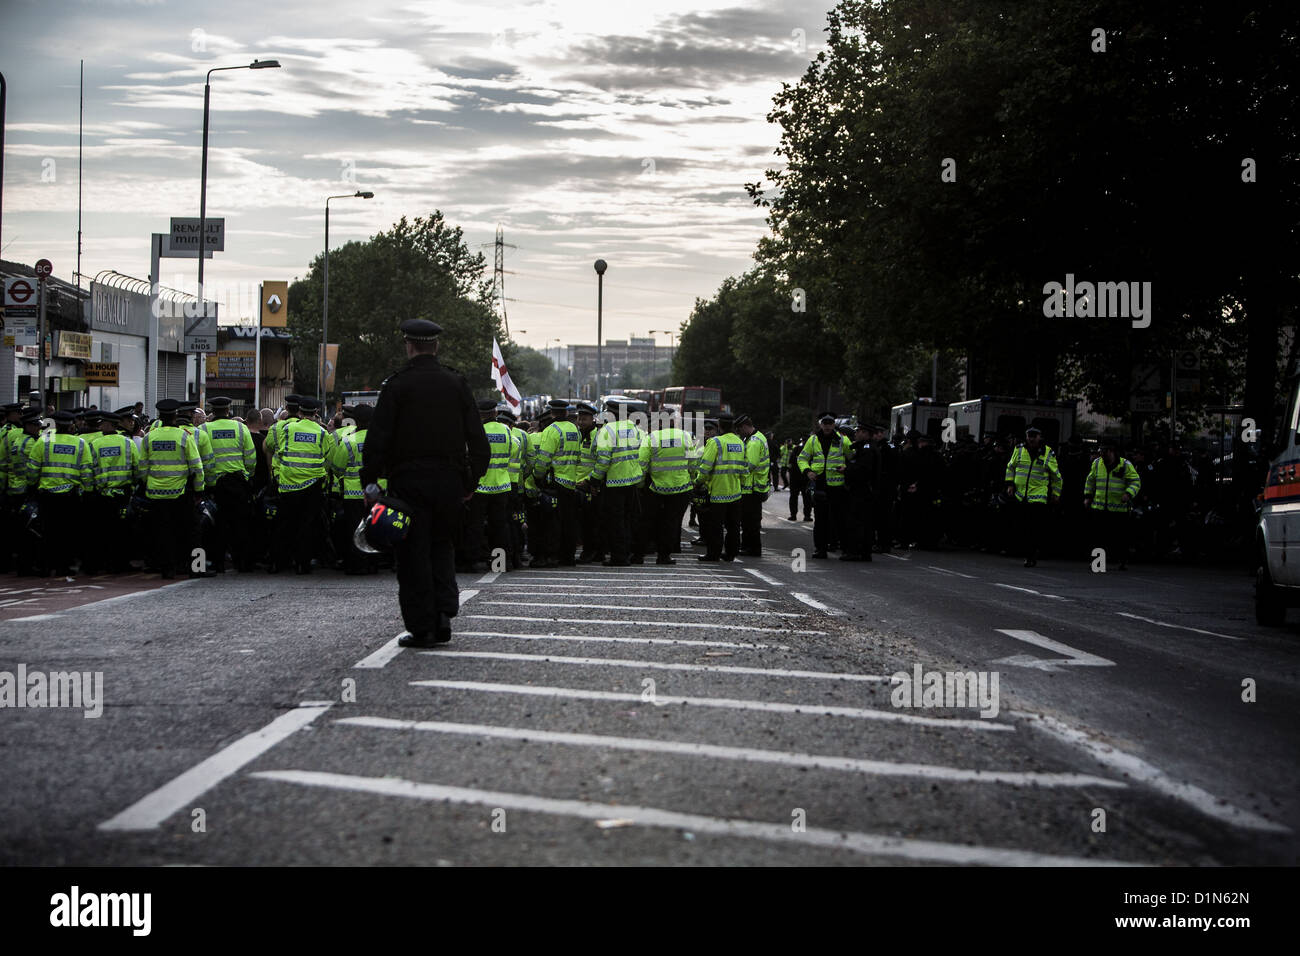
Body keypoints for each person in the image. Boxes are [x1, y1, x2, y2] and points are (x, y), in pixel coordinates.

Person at [361, 318, 489, 647]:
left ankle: (423, 627)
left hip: (408, 483)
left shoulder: (397, 386)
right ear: (436, 346)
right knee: (442, 546)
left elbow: (377, 440)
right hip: (449, 483)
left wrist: (370, 482)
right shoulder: (456, 384)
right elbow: (478, 441)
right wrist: (471, 480)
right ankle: (444, 614)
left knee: (412, 553)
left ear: (409, 345)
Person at [139, 399, 203, 579]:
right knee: (191, 531)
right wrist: (199, 490)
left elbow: (142, 467)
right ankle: (195, 567)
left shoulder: (149, 437)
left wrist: (148, 484)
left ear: (160, 417)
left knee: (162, 532)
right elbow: (196, 467)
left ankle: (167, 568)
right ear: (176, 416)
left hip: (155, 493)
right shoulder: (184, 436)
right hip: (180, 493)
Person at [581, 398, 645, 566]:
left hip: (614, 483)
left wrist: (594, 480)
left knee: (615, 522)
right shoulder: (635, 429)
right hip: (632, 481)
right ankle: (632, 553)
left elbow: (603, 461)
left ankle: (619, 557)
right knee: (629, 520)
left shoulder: (607, 431)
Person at [202, 396, 257, 573]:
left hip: (215, 484)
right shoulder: (241, 428)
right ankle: (244, 563)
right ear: (228, 410)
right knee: (241, 524)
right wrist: (247, 476)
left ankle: (218, 564)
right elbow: (250, 457)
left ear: (212, 411)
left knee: (218, 525)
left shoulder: (204, 429)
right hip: (237, 483)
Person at [638, 408, 696, 564]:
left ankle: (638, 555)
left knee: (647, 521)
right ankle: (664, 556)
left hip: (656, 488)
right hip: (681, 488)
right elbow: (693, 463)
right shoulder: (686, 436)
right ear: (673, 421)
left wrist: (641, 485)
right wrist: (693, 480)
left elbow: (642, 464)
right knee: (671, 522)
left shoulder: (651, 437)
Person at [465, 398, 514, 572]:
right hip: (501, 485)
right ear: (495, 413)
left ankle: (473, 562)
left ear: (479, 414)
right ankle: (499, 563)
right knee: (499, 527)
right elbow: (512, 452)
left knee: (475, 526)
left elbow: (469, 457)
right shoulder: (506, 430)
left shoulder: (477, 431)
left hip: (480, 486)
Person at [797, 413, 852, 558]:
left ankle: (844, 548)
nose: (827, 426)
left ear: (834, 424)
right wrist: (807, 471)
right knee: (820, 519)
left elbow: (853, 457)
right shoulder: (813, 440)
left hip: (837, 486)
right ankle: (820, 549)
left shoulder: (842, 439)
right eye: (825, 423)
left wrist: (847, 469)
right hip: (820, 485)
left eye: (830, 423)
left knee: (839, 518)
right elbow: (802, 458)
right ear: (820, 424)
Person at [1004, 426, 1061, 567]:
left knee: (1034, 528)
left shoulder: (1048, 453)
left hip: (1038, 496)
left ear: (1040, 437)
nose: (1031, 438)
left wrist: (1056, 493)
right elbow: (1010, 467)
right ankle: (1027, 552)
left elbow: (1056, 476)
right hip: (1020, 495)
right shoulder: (1019, 449)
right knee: (1021, 526)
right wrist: (1010, 484)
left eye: (1034, 436)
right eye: (1029, 435)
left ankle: (1031, 554)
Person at [1083, 441, 1141, 570]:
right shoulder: (1097, 463)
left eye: (1105, 452)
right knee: (1098, 537)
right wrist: (1087, 497)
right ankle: (1098, 563)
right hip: (1099, 507)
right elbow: (1090, 481)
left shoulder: (1125, 465)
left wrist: (1128, 494)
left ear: (1112, 451)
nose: (1102, 454)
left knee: (1120, 537)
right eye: (1101, 452)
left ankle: (1122, 560)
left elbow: (1135, 482)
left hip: (1119, 509)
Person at [841, 422, 878, 561]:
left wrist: (847, 469)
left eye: (858, 431)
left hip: (862, 491)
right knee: (865, 522)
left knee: (856, 521)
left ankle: (855, 551)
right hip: (865, 491)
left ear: (865, 433)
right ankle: (863, 551)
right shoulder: (865, 447)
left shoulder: (867, 449)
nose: (856, 434)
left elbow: (863, 470)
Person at [736, 414, 770, 556]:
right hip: (757, 486)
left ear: (745, 426)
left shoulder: (754, 442)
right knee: (750, 520)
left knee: (750, 521)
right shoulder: (757, 437)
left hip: (752, 488)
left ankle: (752, 548)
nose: (739, 433)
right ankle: (749, 546)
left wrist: (735, 472)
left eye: (739, 430)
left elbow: (749, 465)